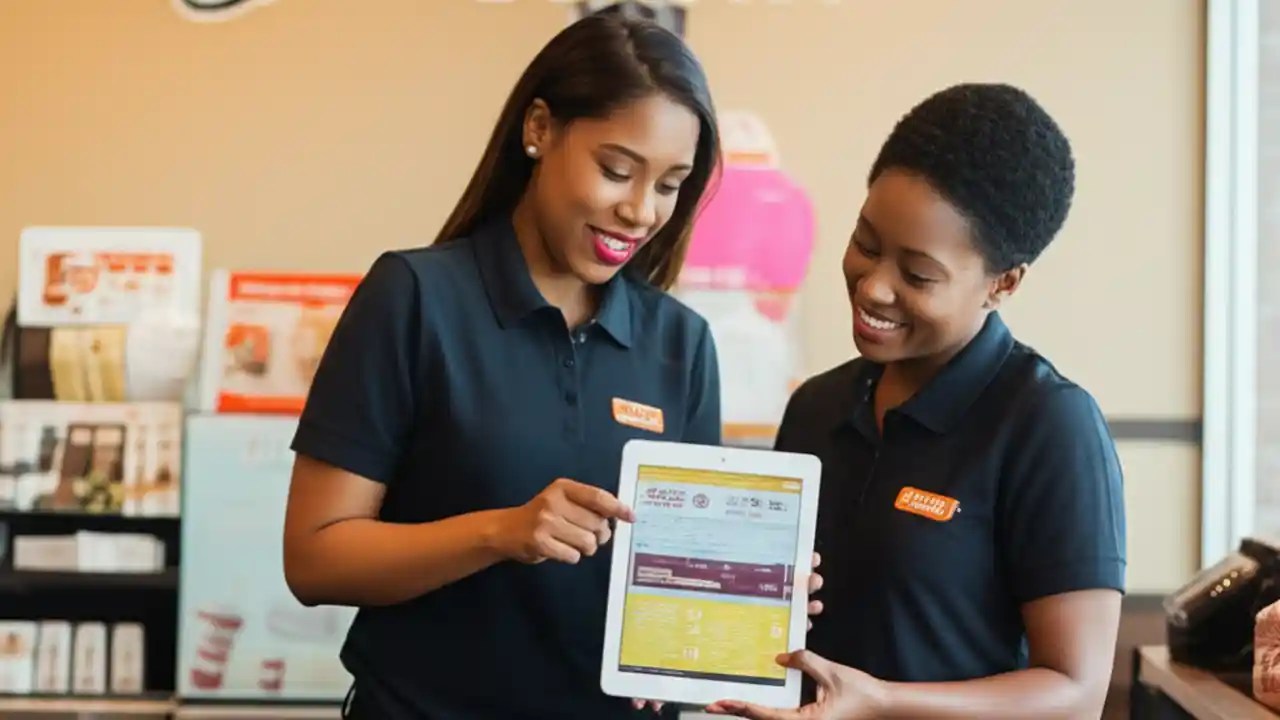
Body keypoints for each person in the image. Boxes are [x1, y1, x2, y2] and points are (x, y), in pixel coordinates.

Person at [280, 13, 729, 720]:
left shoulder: (683, 344)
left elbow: (683, 583)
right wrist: (501, 532)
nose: (641, 211)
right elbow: (314, 558)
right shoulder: (414, 299)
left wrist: (753, 595)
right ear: (540, 128)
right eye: (617, 170)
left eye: (670, 185)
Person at [706, 83, 1126, 719]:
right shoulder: (816, 408)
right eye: (867, 244)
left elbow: (1076, 694)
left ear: (1002, 283)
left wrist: (880, 703)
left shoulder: (1048, 424)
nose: (873, 287)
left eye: (918, 275)